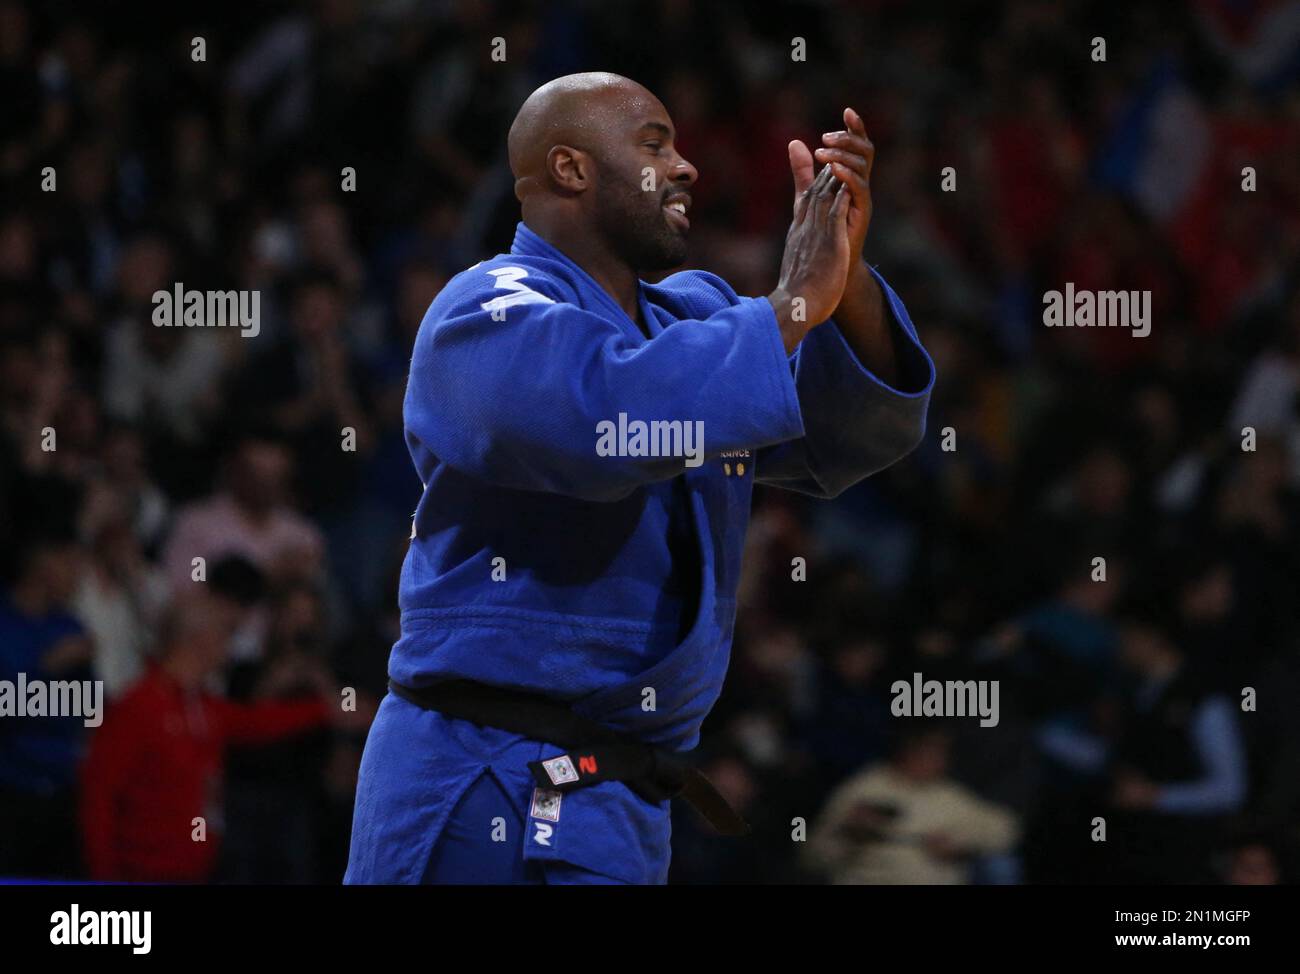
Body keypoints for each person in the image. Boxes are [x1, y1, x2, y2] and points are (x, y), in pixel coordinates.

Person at [345, 72, 934, 885]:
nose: (687, 165)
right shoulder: (481, 308)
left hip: (615, 803)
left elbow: (848, 433)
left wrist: (846, 268)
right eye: (655, 144)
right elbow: (607, 419)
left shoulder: (689, 320)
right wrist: (794, 303)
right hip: (480, 777)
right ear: (570, 169)